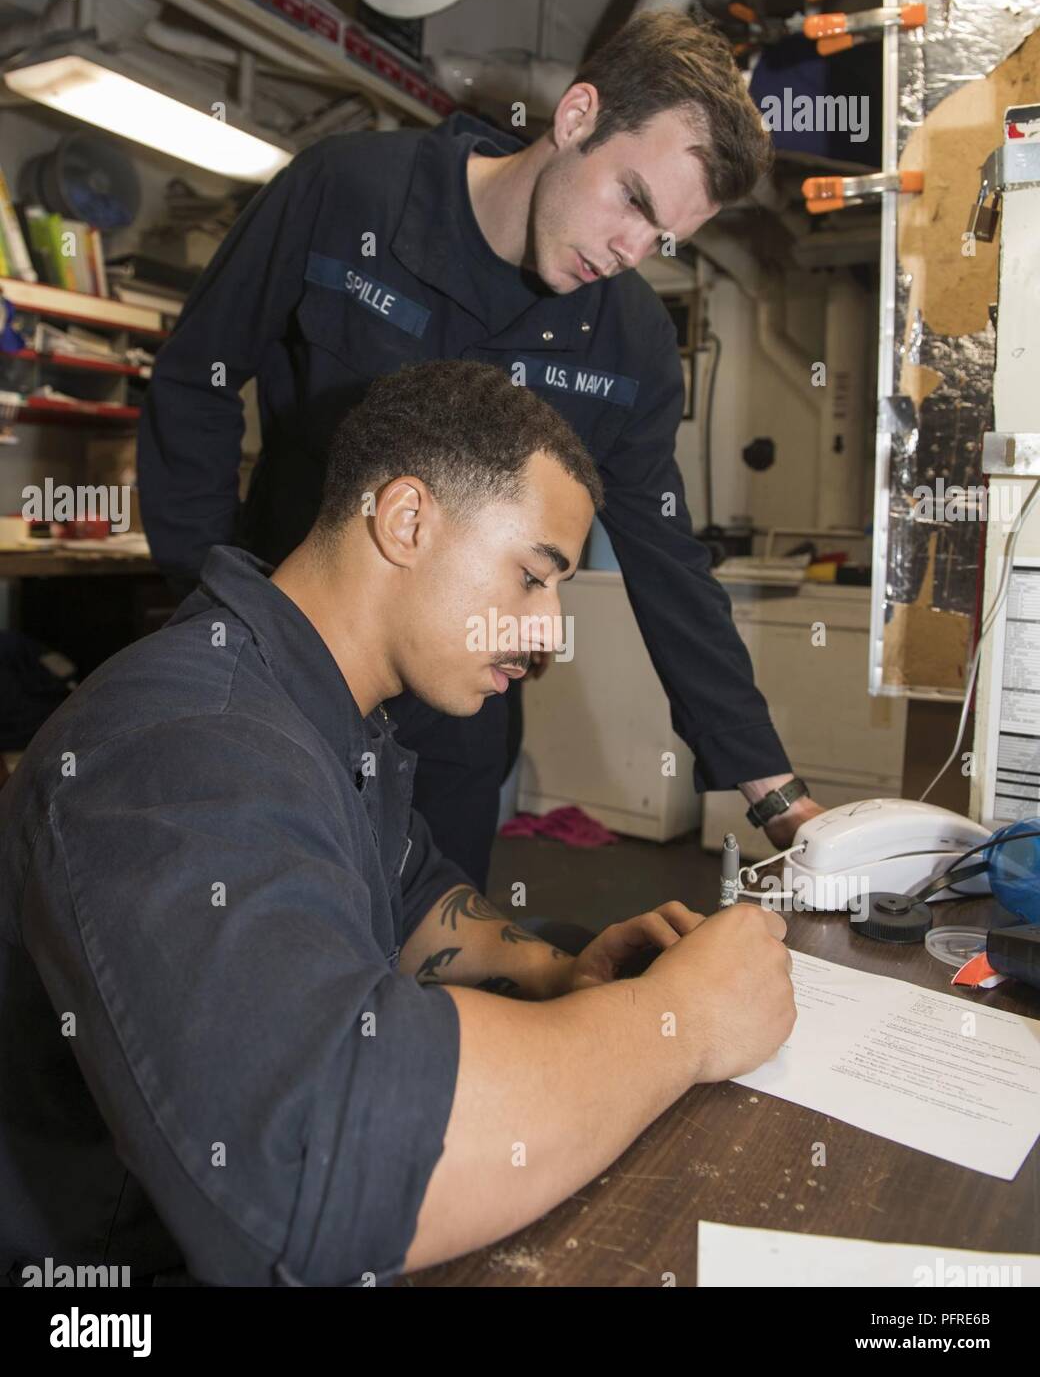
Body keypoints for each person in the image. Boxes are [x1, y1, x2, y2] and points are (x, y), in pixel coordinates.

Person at [0, 362, 795, 1286]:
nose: (548, 635)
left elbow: (402, 887)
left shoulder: (315, 705)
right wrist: (680, 1021)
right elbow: (315, 1160)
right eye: (533, 579)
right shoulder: (188, 747)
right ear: (408, 520)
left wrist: (556, 968)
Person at [137, 11, 823, 893]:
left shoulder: (630, 346)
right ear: (576, 117)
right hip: (283, 666)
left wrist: (772, 792)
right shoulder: (347, 197)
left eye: (661, 241)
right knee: (258, 933)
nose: (629, 252)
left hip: (458, 717)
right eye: (634, 202)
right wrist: (211, 600)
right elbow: (198, 379)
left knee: (433, 950)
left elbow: (668, 563)